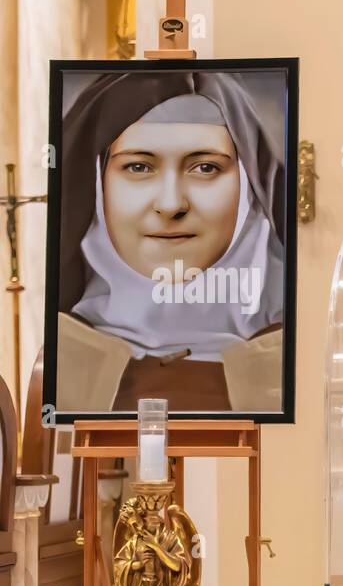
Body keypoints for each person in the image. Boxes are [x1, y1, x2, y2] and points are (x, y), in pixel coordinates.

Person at [56, 70, 288, 412]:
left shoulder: (296, 361)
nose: (170, 204)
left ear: (250, 187)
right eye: (138, 167)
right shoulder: (61, 358)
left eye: (205, 168)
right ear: (94, 186)